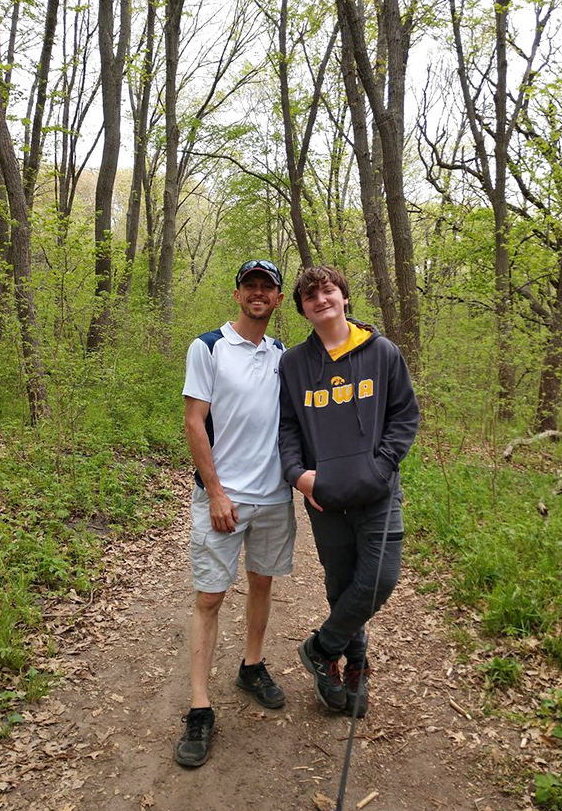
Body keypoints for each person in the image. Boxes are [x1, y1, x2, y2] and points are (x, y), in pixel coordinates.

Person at [278, 265, 419, 718]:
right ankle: (352, 666)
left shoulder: (382, 353)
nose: (321, 299)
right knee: (341, 585)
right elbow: (286, 428)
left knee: (379, 579)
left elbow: (404, 416)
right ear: (302, 308)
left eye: (329, 291)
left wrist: (382, 468)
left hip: (378, 492)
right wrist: (297, 474)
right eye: (311, 295)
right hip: (325, 497)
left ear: (344, 297)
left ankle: (323, 647)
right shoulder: (294, 364)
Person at [175, 259, 296, 768]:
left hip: (273, 498)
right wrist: (217, 492)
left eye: (267, 287)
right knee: (209, 597)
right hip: (223, 500)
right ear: (237, 292)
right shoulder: (208, 347)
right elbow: (194, 422)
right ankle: (200, 707)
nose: (258, 294)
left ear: (279, 299)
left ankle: (251, 666)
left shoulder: (284, 355)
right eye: (250, 285)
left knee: (262, 583)